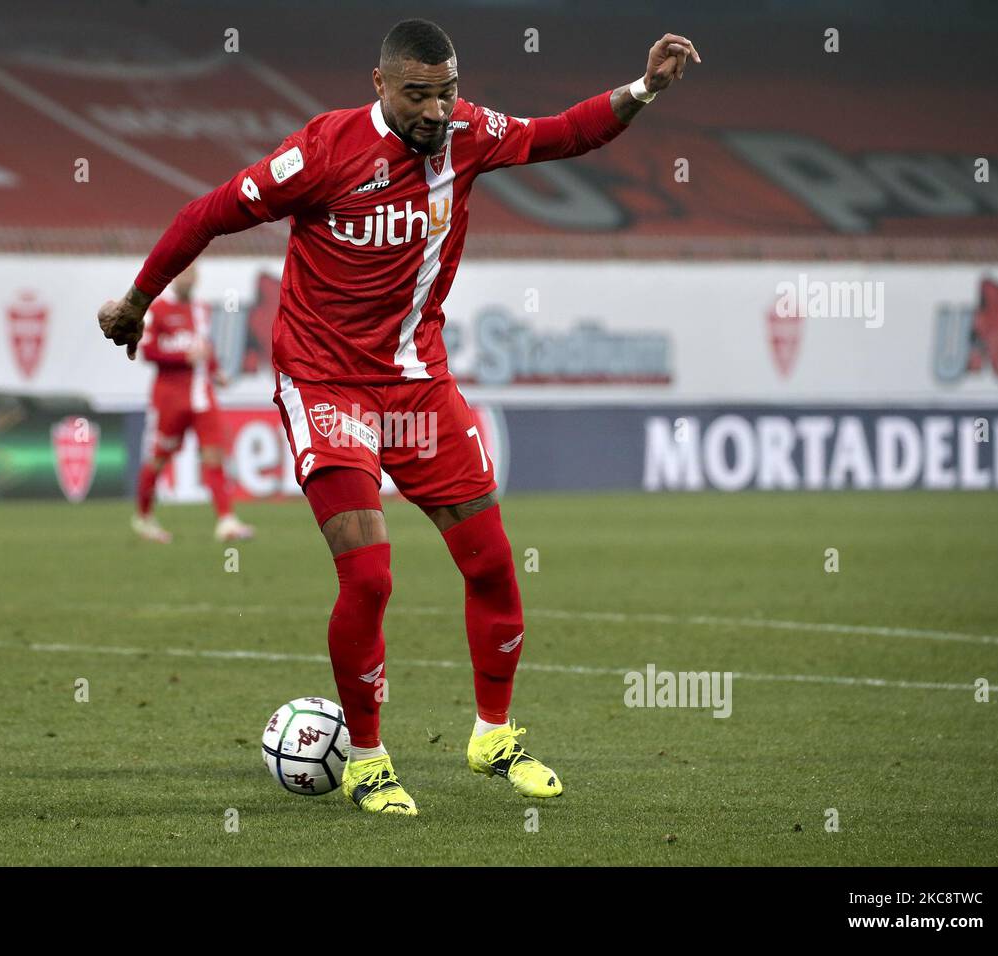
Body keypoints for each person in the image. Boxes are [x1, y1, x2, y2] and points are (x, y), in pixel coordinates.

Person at [101, 19, 700, 814]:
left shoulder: (471, 133)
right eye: (419, 94)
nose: (436, 110)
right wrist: (138, 301)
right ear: (381, 86)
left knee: (490, 562)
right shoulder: (320, 152)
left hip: (417, 385)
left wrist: (645, 87)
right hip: (326, 386)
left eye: (446, 91)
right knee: (372, 573)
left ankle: (493, 734)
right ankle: (370, 759)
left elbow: (565, 135)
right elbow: (210, 211)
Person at [132, 263, 255, 543]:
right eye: (183, 274)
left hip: (202, 397)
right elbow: (147, 351)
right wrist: (181, 357)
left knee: (214, 456)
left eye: (192, 274)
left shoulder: (201, 309)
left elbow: (204, 347)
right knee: (158, 459)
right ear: (174, 278)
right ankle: (144, 517)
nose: (188, 279)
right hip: (170, 399)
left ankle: (226, 521)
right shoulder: (158, 310)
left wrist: (215, 371)